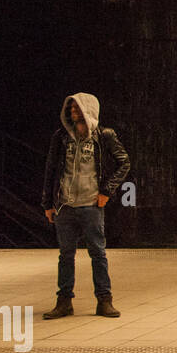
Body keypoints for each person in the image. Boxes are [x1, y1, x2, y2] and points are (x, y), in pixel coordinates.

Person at [40, 93, 131, 319]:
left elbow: (124, 162)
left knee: (98, 253)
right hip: (65, 205)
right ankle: (64, 302)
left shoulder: (104, 135)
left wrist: (106, 191)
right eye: (70, 108)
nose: (73, 112)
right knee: (65, 255)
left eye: (77, 108)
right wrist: (48, 204)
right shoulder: (61, 137)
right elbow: (50, 170)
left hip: (91, 204)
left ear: (88, 109)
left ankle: (104, 300)